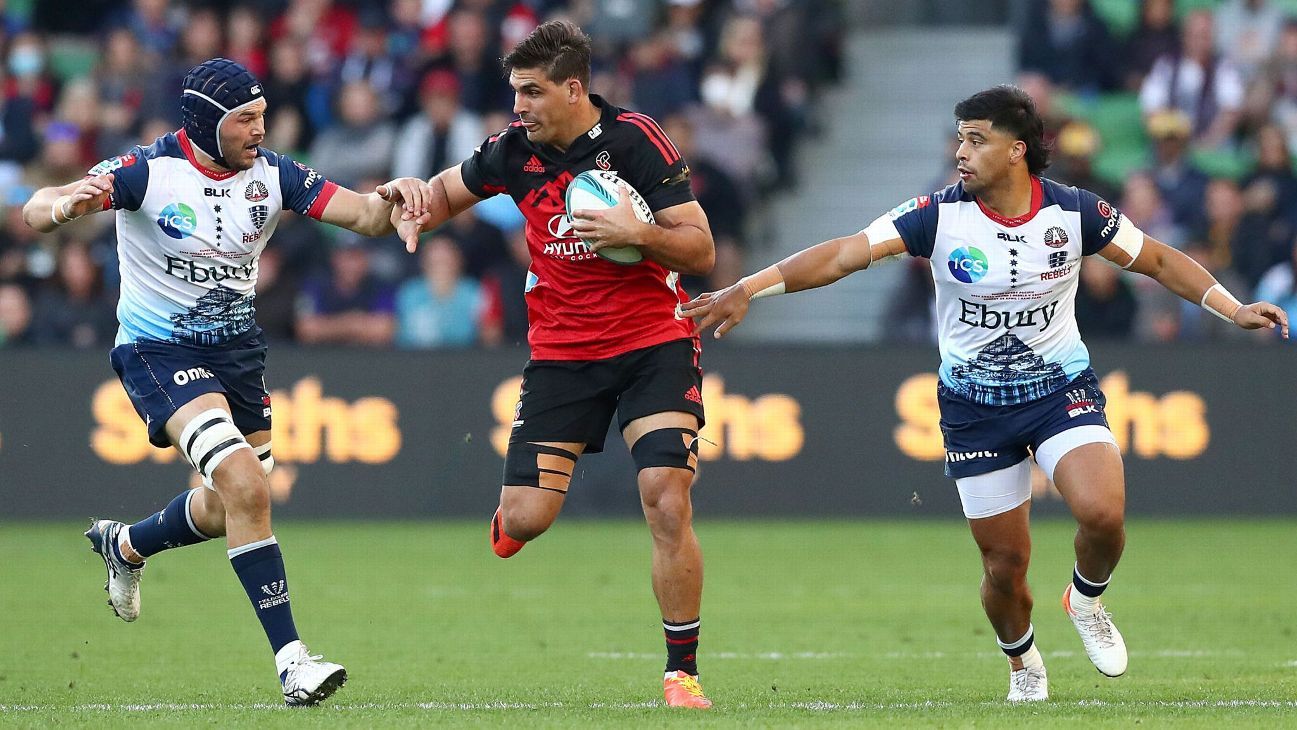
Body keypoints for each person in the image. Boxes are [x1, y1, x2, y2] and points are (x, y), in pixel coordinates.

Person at [684, 85, 1288, 703]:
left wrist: (1231, 307)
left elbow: (1156, 261)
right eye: (960, 139)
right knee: (1004, 568)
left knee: (1104, 516)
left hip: (1060, 391)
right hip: (975, 410)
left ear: (1017, 150)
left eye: (977, 140)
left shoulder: (1076, 212)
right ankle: (1023, 663)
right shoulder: (937, 216)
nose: (961, 152)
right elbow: (845, 254)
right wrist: (748, 289)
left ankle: (1084, 600)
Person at [20, 58, 431, 706]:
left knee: (230, 504)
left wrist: (402, 196)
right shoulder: (146, 174)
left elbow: (365, 216)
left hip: (238, 356)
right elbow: (37, 207)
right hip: (158, 350)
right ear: (208, 124)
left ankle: (126, 545)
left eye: (263, 117)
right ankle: (293, 663)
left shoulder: (274, 174)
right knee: (242, 480)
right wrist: (59, 206)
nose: (259, 131)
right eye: (245, 120)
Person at [399, 21, 717, 709]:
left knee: (666, 495)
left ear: (574, 89)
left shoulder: (635, 141)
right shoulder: (512, 153)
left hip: (651, 344)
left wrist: (638, 234)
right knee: (529, 518)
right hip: (562, 356)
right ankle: (510, 520)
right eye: (515, 92)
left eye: (532, 93)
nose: (519, 107)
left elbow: (700, 251)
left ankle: (680, 673)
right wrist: (400, 202)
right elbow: (442, 197)